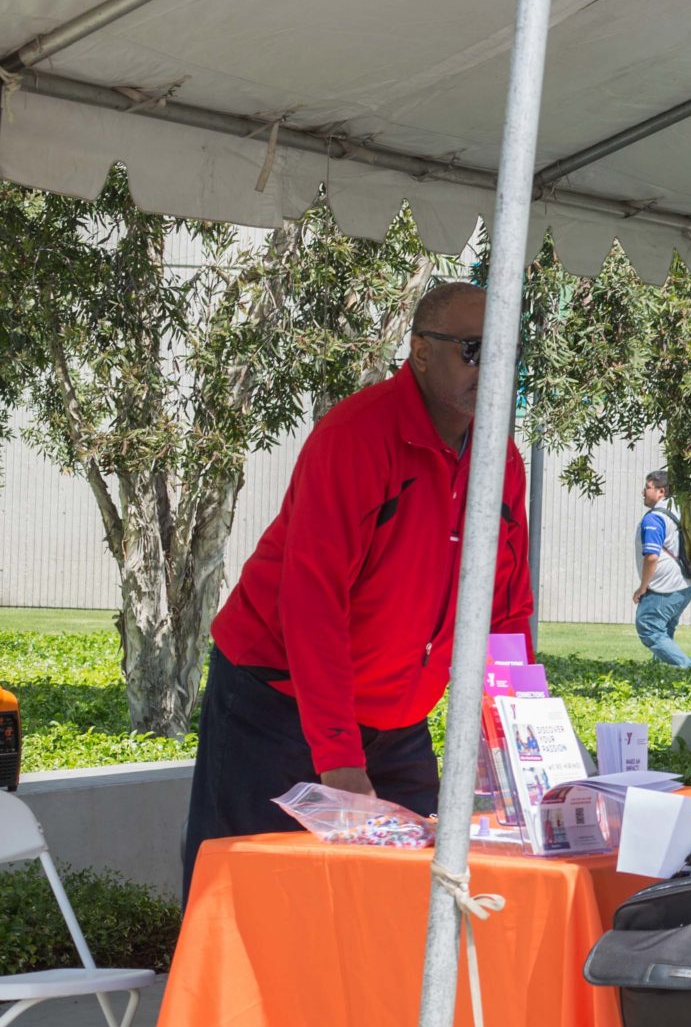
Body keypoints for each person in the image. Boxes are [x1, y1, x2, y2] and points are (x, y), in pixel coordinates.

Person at [181, 282, 531, 897]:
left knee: (417, 896)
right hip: (279, 700)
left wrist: (521, 736)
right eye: (475, 350)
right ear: (421, 352)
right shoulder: (356, 436)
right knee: (257, 891)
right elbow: (312, 603)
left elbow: (508, 611)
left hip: (397, 713)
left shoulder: (500, 458)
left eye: (507, 351)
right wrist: (339, 754)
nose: (493, 368)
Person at [633, 469, 691, 669]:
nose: (643, 491)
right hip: (685, 584)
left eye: (647, 487)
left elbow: (652, 556)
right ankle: (662, 669)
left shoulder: (654, 518)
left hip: (664, 586)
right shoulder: (678, 512)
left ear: (661, 491)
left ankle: (689, 666)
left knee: (648, 627)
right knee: (664, 629)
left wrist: (643, 587)